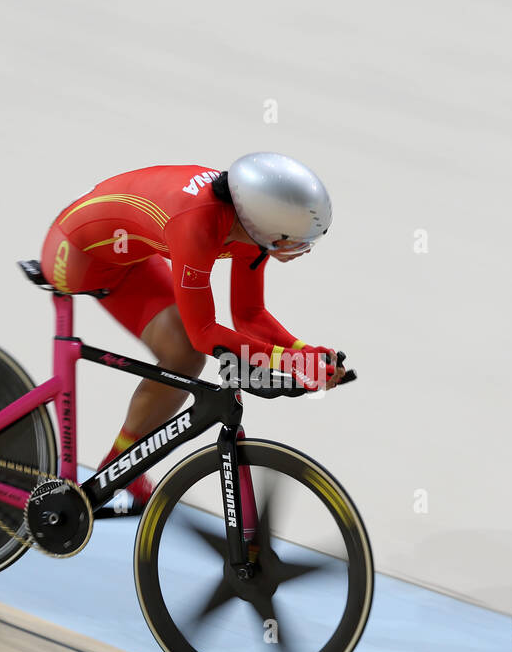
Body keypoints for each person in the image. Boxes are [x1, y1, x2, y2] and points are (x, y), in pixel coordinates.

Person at [41, 152, 344, 513]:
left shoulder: (247, 219)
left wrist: (303, 351)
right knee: (189, 351)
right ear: (266, 227)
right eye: (295, 241)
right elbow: (204, 333)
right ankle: (115, 464)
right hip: (77, 255)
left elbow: (249, 314)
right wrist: (292, 360)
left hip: (129, 253)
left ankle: (119, 462)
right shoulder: (197, 224)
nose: (301, 251)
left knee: (183, 357)